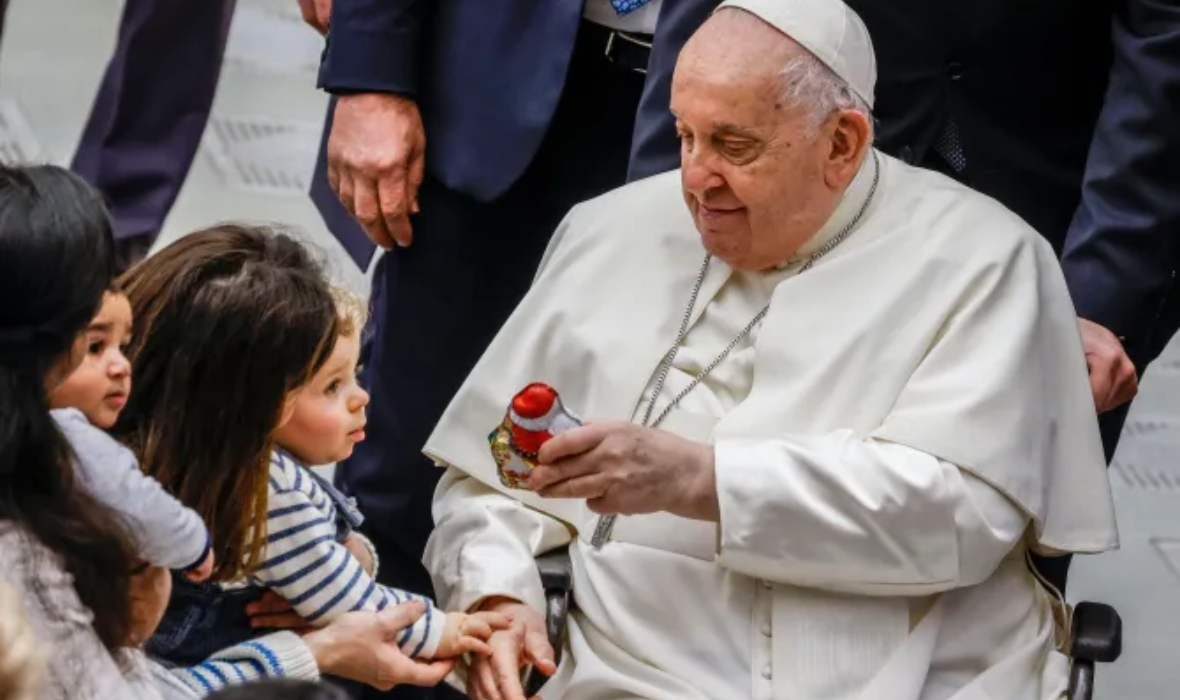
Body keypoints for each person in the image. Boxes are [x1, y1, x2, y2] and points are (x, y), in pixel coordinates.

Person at [421, 2, 1120, 699]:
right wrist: (496, 596)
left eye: (734, 145)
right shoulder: (609, 232)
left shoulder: (991, 261)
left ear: (842, 144)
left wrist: (704, 480)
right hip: (636, 670)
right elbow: (493, 482)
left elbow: (962, 516)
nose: (694, 178)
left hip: (913, 670)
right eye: (685, 134)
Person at [308, 4, 723, 697]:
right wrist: (370, 73)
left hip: (716, 105)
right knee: (403, 459)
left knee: (630, 471)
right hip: (488, 92)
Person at [0, 163, 453, 698]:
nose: (121, 358)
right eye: (93, 338)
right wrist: (315, 652)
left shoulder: (93, 434)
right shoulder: (32, 544)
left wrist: (347, 558)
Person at [109, 227, 502, 667]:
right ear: (249, 403)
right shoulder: (265, 492)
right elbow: (357, 607)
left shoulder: (153, 447)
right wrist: (452, 632)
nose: (361, 396)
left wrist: (355, 555)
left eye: (355, 373)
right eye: (331, 386)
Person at [48, 285, 215, 581]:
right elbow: (135, 502)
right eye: (95, 347)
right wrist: (195, 546)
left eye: (123, 347)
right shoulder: (64, 433)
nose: (122, 366)